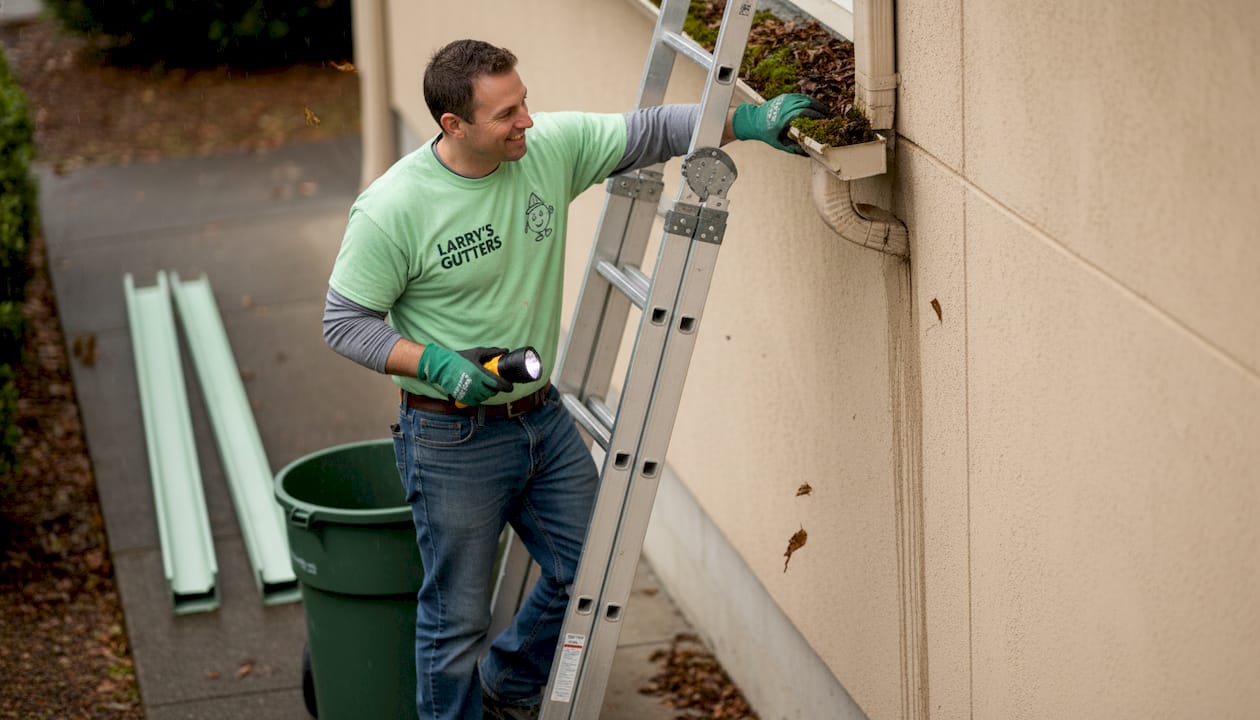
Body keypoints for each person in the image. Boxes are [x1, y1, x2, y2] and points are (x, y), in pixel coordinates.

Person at [323, 38, 825, 720]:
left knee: (591, 567)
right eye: (506, 114)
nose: (526, 120)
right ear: (454, 125)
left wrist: (749, 122)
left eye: (523, 102)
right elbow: (344, 322)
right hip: (450, 441)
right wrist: (435, 362)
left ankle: (508, 687)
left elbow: (654, 131)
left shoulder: (547, 149)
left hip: (541, 418)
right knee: (455, 622)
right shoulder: (393, 208)